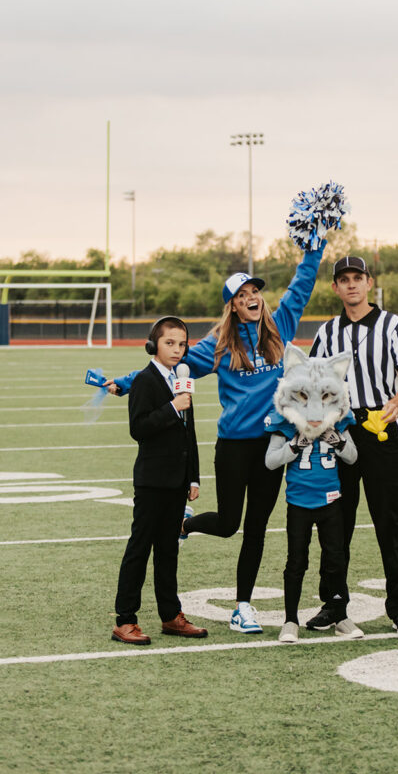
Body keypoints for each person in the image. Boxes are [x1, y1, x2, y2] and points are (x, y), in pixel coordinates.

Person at [109, 243, 325, 634]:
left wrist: (314, 248)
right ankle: (186, 526)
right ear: (233, 306)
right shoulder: (220, 344)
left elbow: (301, 286)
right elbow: (169, 364)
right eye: (242, 296)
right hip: (234, 446)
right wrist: (124, 384)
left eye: (254, 292)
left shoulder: (281, 326)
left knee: (257, 528)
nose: (251, 298)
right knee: (228, 523)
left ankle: (243, 607)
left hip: (273, 445)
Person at [308, 255, 398, 634]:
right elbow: (313, 381)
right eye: (344, 279)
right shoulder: (327, 332)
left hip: (380, 429)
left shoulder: (392, 325)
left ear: (369, 283)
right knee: (335, 522)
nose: (352, 284)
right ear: (335, 287)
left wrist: (393, 406)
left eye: (358, 277)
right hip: (339, 431)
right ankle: (333, 602)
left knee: (390, 520)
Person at [112, 316, 207, 645]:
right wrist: (171, 407)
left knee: (169, 551)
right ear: (154, 345)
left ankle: (171, 615)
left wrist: (193, 477)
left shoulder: (183, 380)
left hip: (177, 481)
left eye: (182, 344)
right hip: (152, 481)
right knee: (139, 549)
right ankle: (125, 619)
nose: (177, 349)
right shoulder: (144, 380)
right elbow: (138, 428)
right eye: (170, 343)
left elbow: (188, 432)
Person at [264, 343, 362, 643]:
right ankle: (290, 620)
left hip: (331, 500)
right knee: (296, 562)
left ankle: (340, 616)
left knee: (336, 559)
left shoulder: (339, 420)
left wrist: (337, 441)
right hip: (299, 502)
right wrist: (294, 446)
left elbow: (352, 457)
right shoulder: (286, 422)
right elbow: (270, 461)